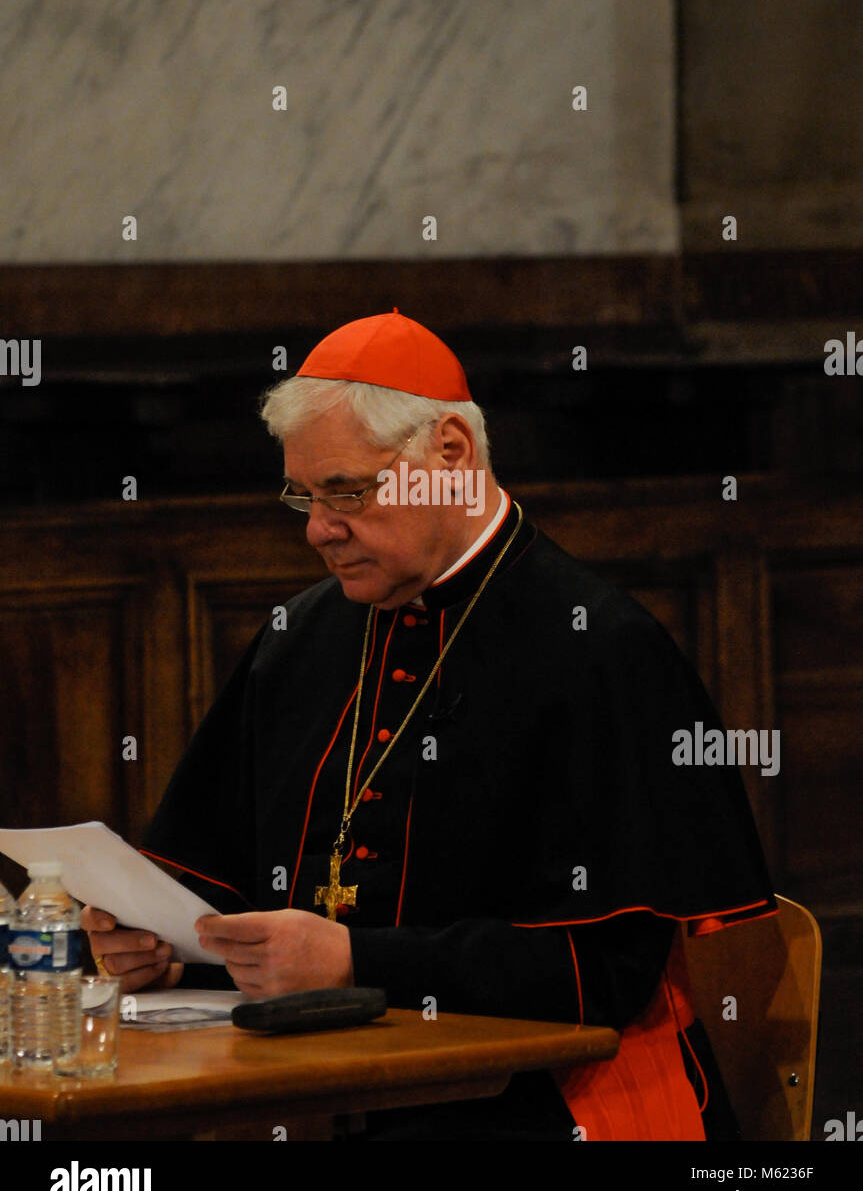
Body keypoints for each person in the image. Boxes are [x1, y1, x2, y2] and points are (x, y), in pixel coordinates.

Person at [83, 310, 777, 1141]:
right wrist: (152, 944)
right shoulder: (297, 639)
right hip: (319, 1096)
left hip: (551, 1103)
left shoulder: (599, 648)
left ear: (449, 454)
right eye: (302, 496)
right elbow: (207, 881)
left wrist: (354, 961)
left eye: (346, 492)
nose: (317, 529)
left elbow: (605, 971)